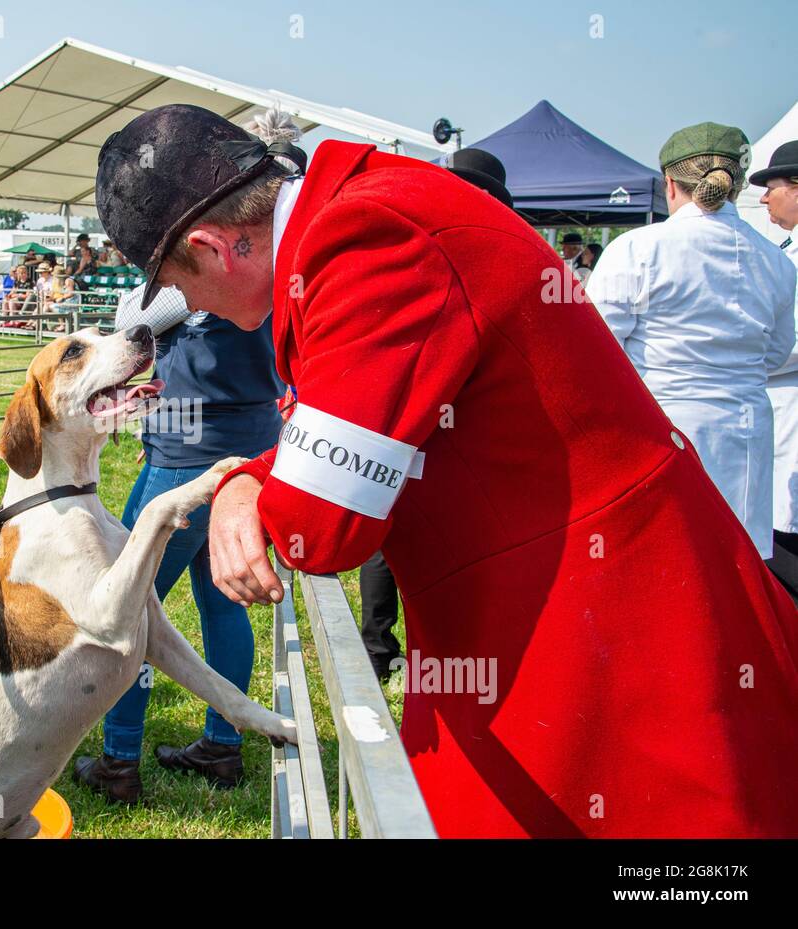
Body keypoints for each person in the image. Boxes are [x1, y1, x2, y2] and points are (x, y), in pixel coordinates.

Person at [94, 103, 798, 838]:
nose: (193, 306)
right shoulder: (358, 210)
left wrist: (255, 486)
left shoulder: (360, 239)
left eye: (178, 286)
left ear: (211, 248)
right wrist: (249, 478)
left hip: (615, 637)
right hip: (558, 608)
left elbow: (321, 528)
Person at [73, 281, 284, 802]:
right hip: (243, 447)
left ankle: (118, 760)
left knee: (130, 612)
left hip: (192, 455)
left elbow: (131, 319)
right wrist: (160, 433)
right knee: (222, 606)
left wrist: (172, 439)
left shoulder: (204, 261)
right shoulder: (266, 252)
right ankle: (221, 743)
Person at [589, 123, 796, 559]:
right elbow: (776, 352)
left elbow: (597, 346)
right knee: (735, 572)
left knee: (665, 565)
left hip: (663, 427)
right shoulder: (776, 259)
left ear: (669, 182)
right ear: (738, 184)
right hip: (746, 434)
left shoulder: (637, 248)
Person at [751, 140, 798, 601]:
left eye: (773, 186)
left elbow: (789, 345)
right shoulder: (786, 251)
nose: (765, 197)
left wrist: (738, 356)